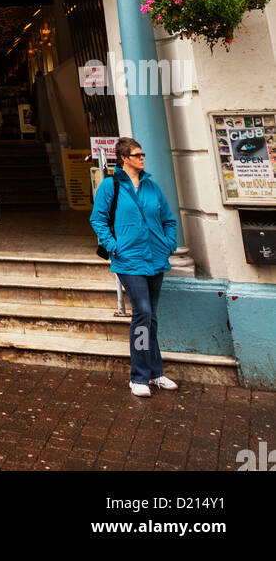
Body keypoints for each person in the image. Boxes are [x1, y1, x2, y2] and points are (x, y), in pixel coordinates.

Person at [90, 136, 179, 397]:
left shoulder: (152, 186)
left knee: (150, 316)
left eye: (143, 155)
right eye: (137, 155)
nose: (142, 159)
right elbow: (98, 219)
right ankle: (139, 377)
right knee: (142, 312)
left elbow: (168, 220)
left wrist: (169, 244)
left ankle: (156, 373)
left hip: (156, 258)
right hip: (129, 260)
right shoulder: (111, 186)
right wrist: (113, 245)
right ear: (124, 159)